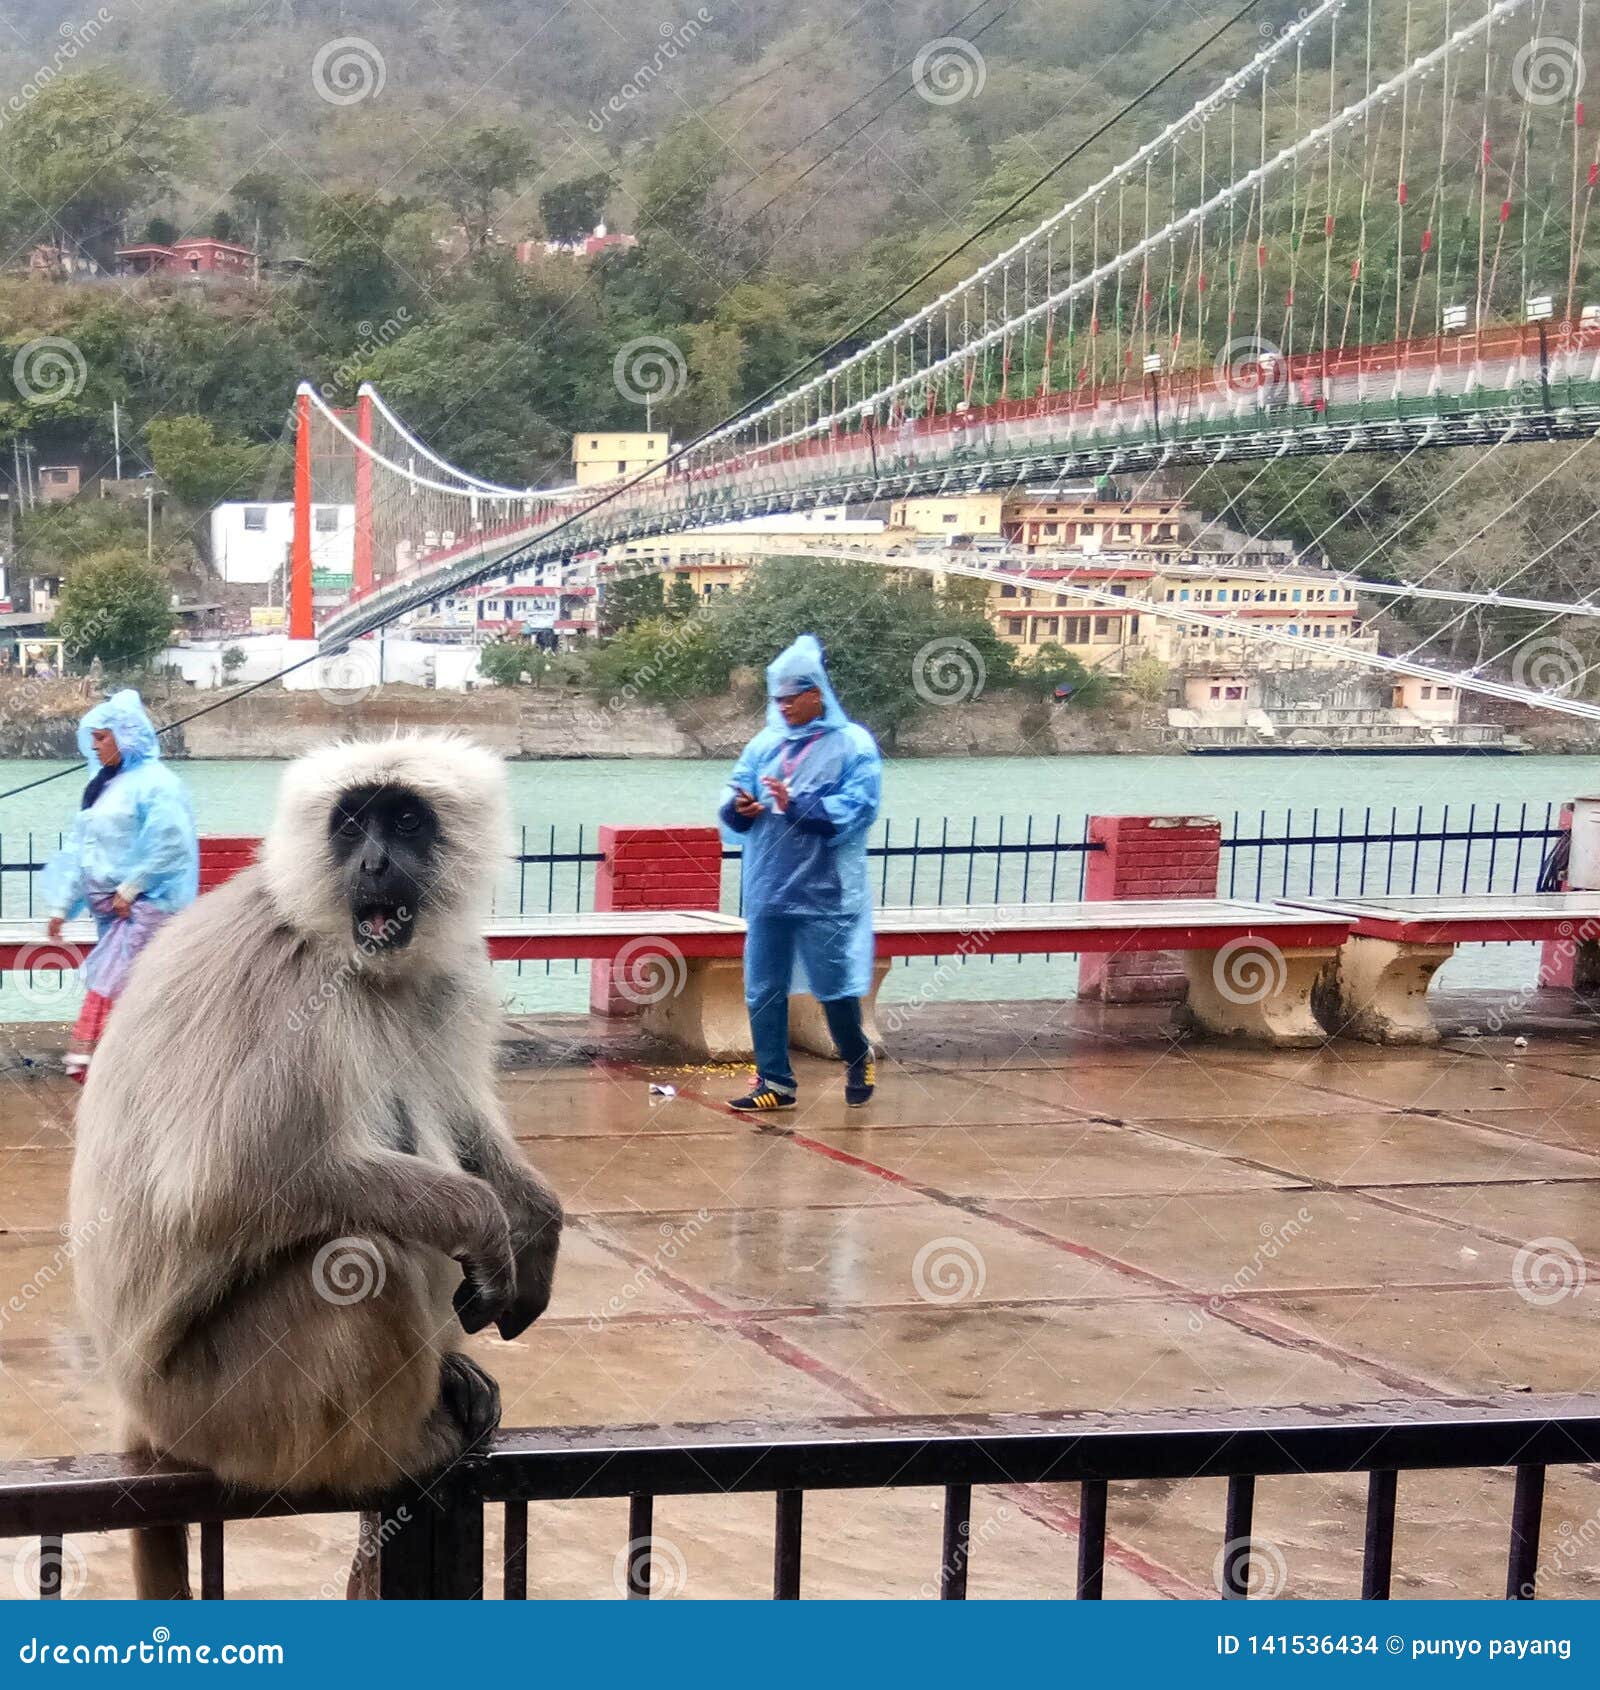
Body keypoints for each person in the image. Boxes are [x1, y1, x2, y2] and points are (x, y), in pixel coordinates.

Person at [718, 634, 883, 1111]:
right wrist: (741, 808)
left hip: (825, 891)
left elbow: (858, 808)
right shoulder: (764, 744)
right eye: (778, 699)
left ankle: (856, 1054)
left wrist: (797, 806)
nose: (784, 707)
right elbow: (733, 797)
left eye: (793, 698)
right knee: (763, 987)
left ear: (817, 693)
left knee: (833, 988)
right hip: (769, 886)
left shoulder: (853, 746)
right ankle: (775, 1082)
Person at [43, 690, 199, 1083]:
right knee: (126, 986)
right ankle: (128, 1069)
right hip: (112, 915)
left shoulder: (157, 784)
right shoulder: (105, 785)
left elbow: (171, 843)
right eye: (92, 738)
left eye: (102, 737)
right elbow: (84, 849)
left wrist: (132, 887)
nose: (95, 746)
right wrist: (63, 904)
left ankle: (109, 1065)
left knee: (118, 982)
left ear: (126, 735)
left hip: (148, 908)